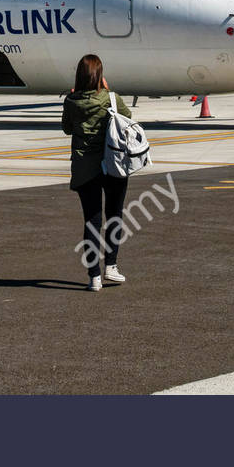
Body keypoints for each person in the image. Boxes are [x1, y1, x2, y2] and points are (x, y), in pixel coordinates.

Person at [62, 53, 132, 292]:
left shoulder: (71, 101)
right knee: (114, 215)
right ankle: (111, 266)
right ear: (100, 76)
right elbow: (128, 118)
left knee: (91, 220)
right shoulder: (112, 98)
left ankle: (94, 277)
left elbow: (67, 129)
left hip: (85, 168)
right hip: (113, 164)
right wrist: (108, 95)